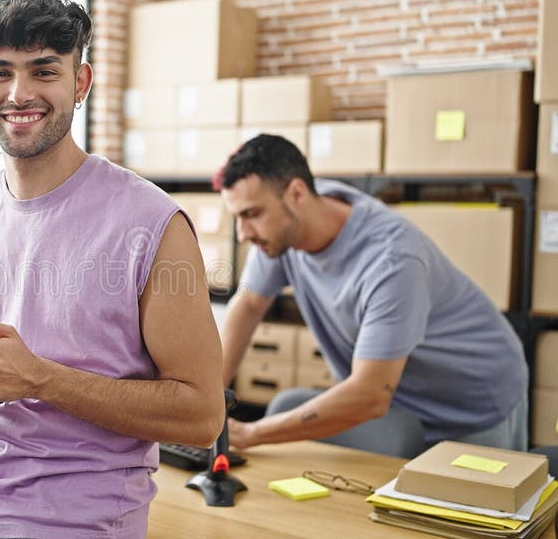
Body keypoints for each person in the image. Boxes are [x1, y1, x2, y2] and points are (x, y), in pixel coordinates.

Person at [0, 0, 224, 538]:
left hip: (73, 521)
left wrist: (41, 378)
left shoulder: (152, 222)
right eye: (0, 73)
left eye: (43, 71)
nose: (19, 93)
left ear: (80, 83)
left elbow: (203, 417)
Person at [216, 134, 528, 458]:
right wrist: (209, 402)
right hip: (396, 402)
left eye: (252, 214)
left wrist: (251, 433)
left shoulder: (392, 261)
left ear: (297, 194)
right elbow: (248, 303)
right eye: (238, 217)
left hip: (469, 403)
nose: (243, 234)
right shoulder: (282, 230)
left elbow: (370, 395)